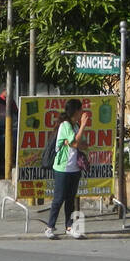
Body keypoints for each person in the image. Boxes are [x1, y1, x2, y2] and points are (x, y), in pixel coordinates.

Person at [44, 99, 92, 239]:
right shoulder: (65, 125)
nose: (82, 113)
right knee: (58, 198)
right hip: (62, 168)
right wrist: (83, 126)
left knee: (70, 199)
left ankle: (69, 226)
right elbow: (75, 142)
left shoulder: (74, 126)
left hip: (74, 168)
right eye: (80, 110)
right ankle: (50, 226)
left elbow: (80, 144)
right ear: (75, 111)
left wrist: (76, 142)